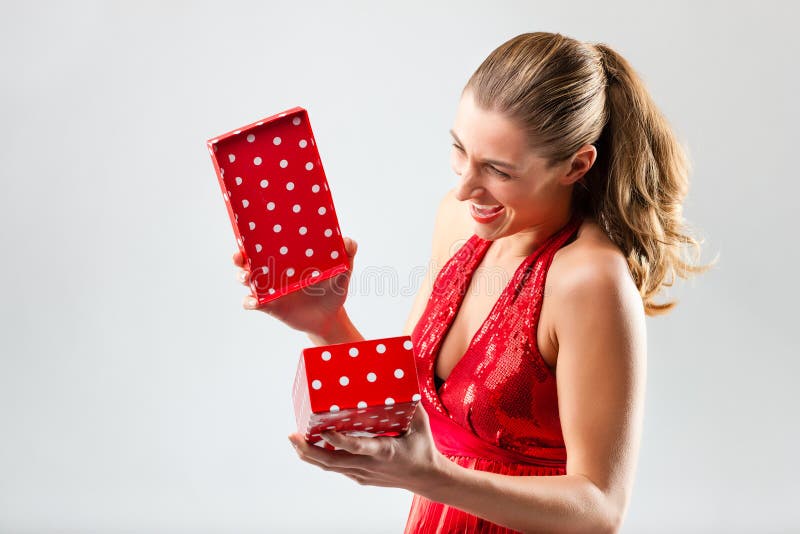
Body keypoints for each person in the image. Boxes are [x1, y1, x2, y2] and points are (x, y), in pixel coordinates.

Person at [233, 32, 714, 534]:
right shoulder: (459, 221)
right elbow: (408, 410)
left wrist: (434, 477)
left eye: (497, 170)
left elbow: (601, 509)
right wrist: (326, 322)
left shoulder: (590, 280)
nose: (464, 187)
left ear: (576, 165)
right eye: (460, 150)